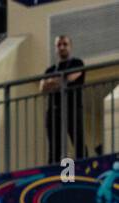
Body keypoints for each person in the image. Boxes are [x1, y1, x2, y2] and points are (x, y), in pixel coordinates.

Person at [41, 35, 86, 164]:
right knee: (54, 148)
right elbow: (42, 88)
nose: (62, 47)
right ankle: (54, 175)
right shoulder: (50, 69)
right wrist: (61, 81)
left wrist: (52, 82)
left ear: (70, 47)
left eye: (65, 44)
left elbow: (72, 78)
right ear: (55, 48)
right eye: (59, 45)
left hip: (73, 108)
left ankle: (83, 169)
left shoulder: (77, 63)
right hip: (54, 111)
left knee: (78, 143)